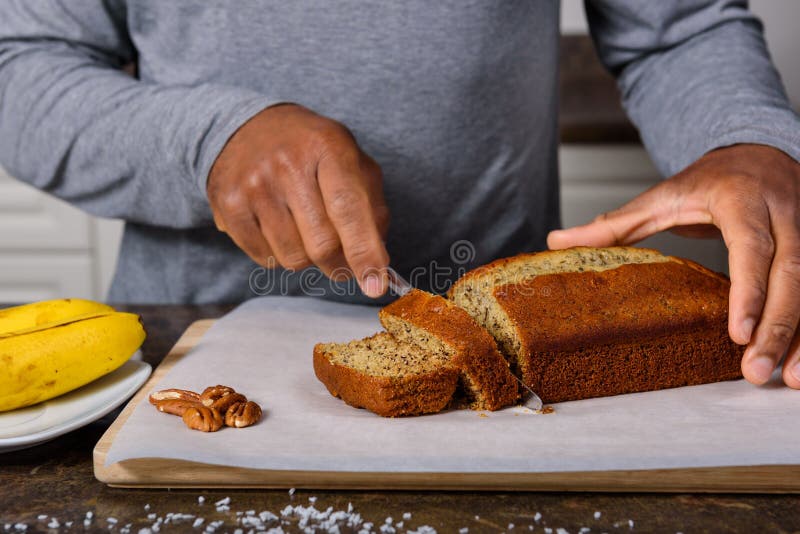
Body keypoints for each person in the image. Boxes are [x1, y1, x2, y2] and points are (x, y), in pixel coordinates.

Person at [0, 1, 798, 388]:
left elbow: (680, 27)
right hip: (185, 346)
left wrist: (750, 142)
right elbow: (18, 66)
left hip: (525, 363)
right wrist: (208, 141)